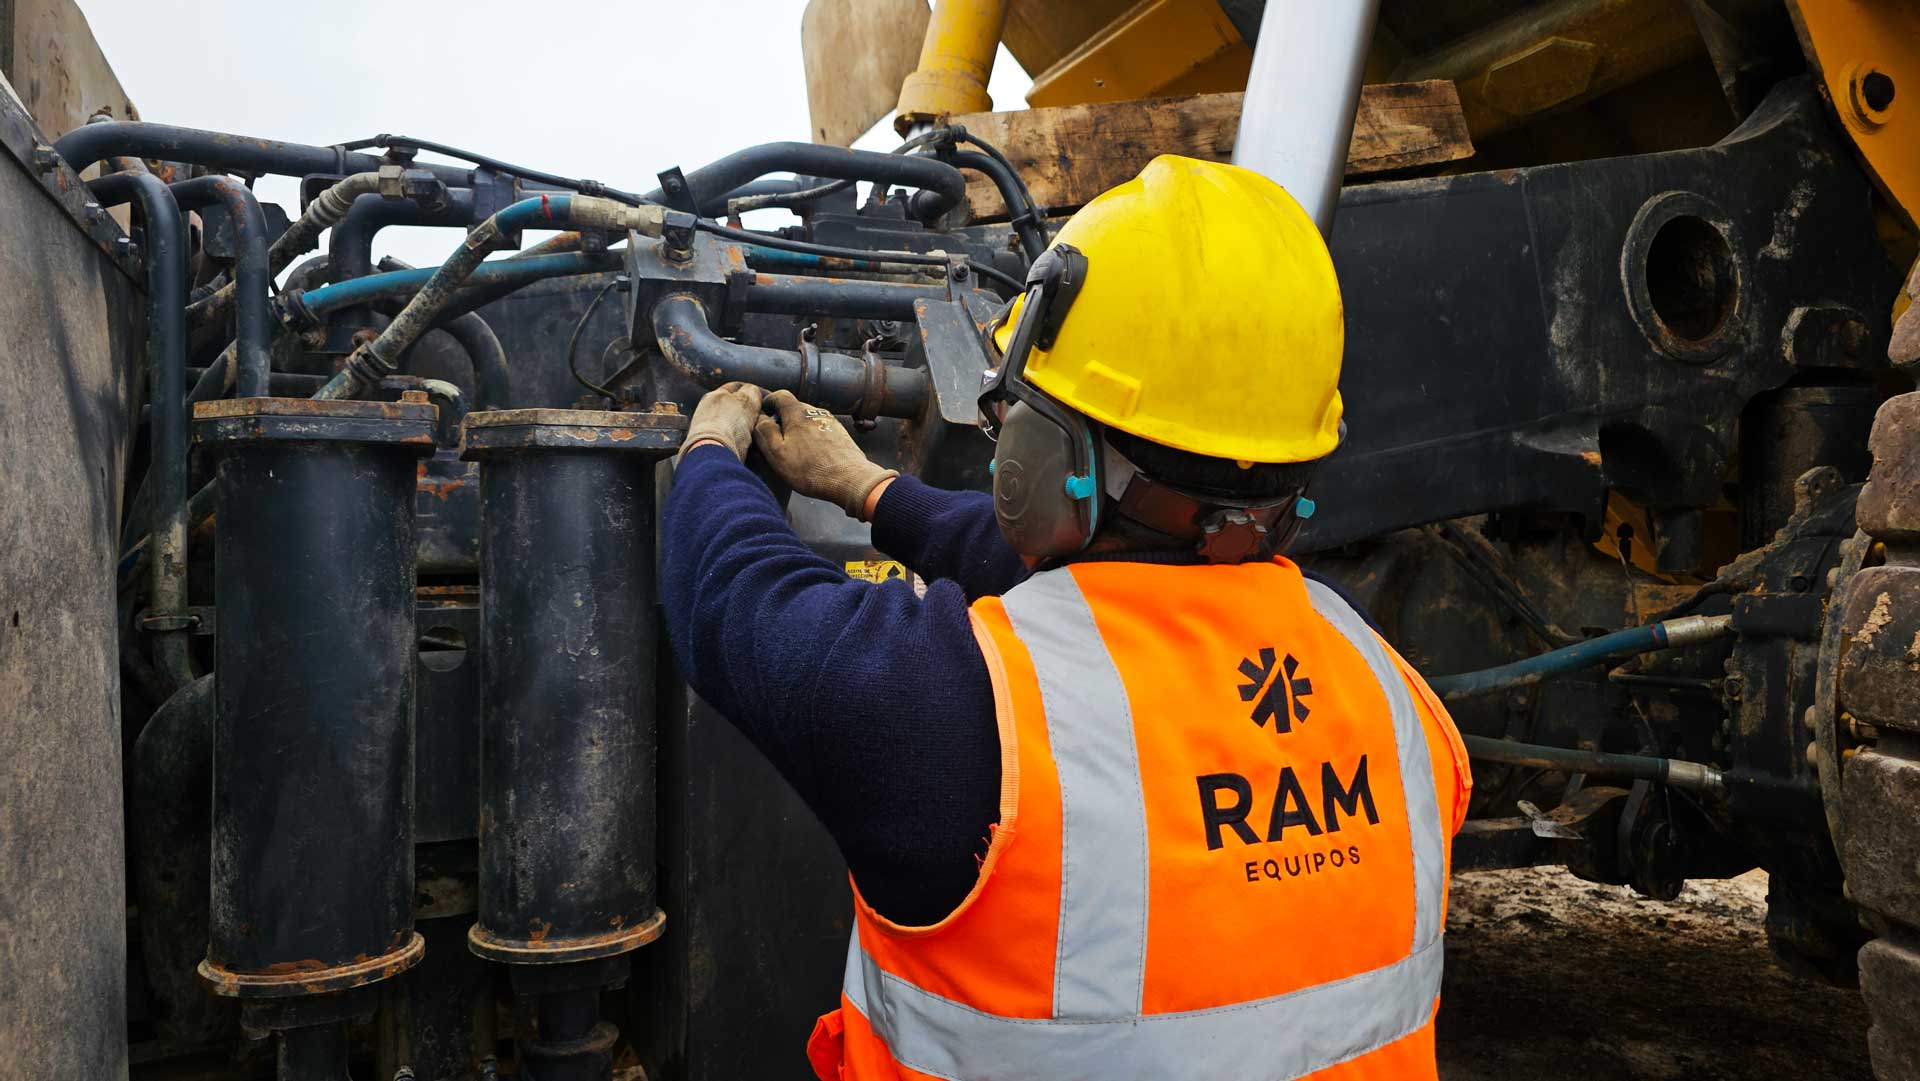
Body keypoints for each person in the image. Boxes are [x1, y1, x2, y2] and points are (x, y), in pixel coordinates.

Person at [660, 155, 1472, 1081]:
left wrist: (710, 452)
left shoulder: (949, 722)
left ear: (1046, 461)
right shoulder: (1394, 698)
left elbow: (726, 594)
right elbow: (1116, 592)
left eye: (1020, 414)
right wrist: (872, 489)